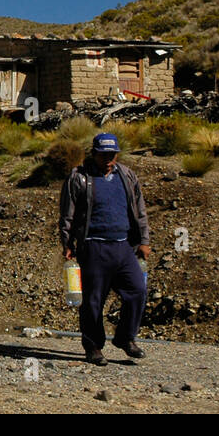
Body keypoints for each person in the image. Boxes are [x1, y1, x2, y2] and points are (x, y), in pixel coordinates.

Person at [58, 132, 151, 365]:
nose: (108, 159)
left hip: (123, 247)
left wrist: (144, 240)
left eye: (112, 154)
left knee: (137, 290)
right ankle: (93, 347)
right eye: (103, 155)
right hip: (93, 247)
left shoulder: (127, 176)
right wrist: (67, 243)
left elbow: (139, 210)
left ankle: (125, 338)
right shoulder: (79, 177)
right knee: (93, 300)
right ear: (94, 153)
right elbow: (67, 215)